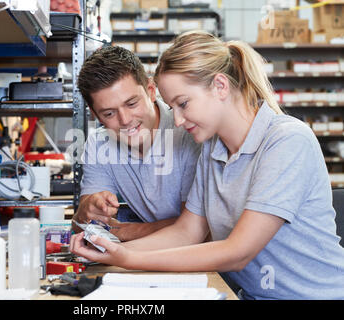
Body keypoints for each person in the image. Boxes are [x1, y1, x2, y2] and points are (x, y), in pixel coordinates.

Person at [70, 30, 344, 300]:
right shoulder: (213, 148)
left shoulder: (286, 141)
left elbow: (238, 252)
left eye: (183, 104)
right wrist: (109, 250)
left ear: (220, 86)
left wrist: (128, 257)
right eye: (172, 107)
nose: (176, 121)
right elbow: (186, 232)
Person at [72, 45, 202, 241]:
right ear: (94, 113)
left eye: (132, 103)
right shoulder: (99, 144)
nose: (124, 120)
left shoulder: (189, 133)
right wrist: (87, 210)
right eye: (109, 113)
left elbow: (194, 230)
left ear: (150, 90)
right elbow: (86, 227)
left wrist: (121, 231)